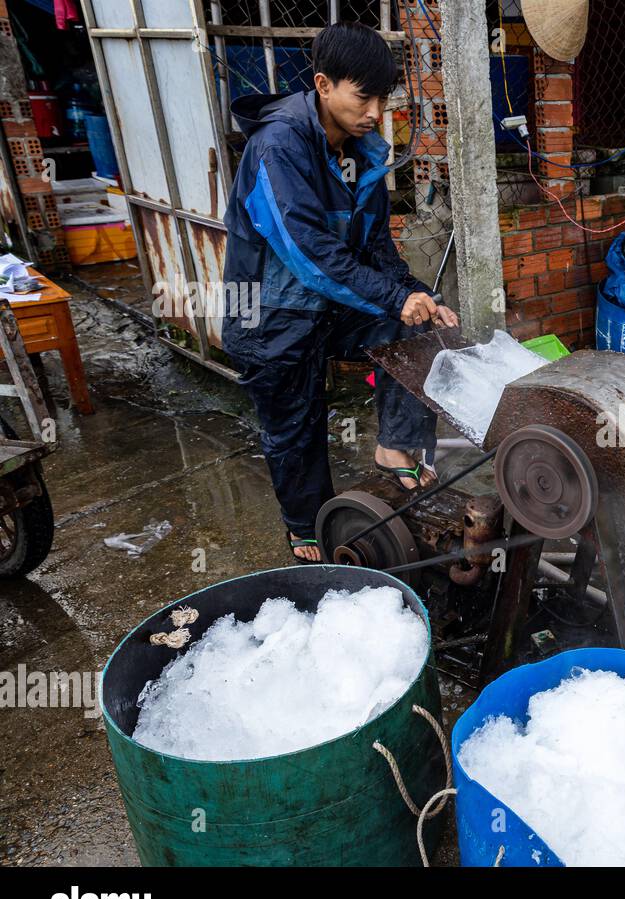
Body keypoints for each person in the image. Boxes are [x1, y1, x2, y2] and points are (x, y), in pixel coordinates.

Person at [221, 21, 457, 563]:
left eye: (384, 98)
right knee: (296, 428)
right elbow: (308, 251)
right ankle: (305, 525)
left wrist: (419, 295)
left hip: (327, 306)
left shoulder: (361, 150)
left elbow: (375, 248)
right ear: (324, 85)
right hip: (266, 314)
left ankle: (394, 445)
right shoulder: (276, 147)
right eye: (364, 95)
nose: (376, 112)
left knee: (419, 327)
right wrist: (393, 297)